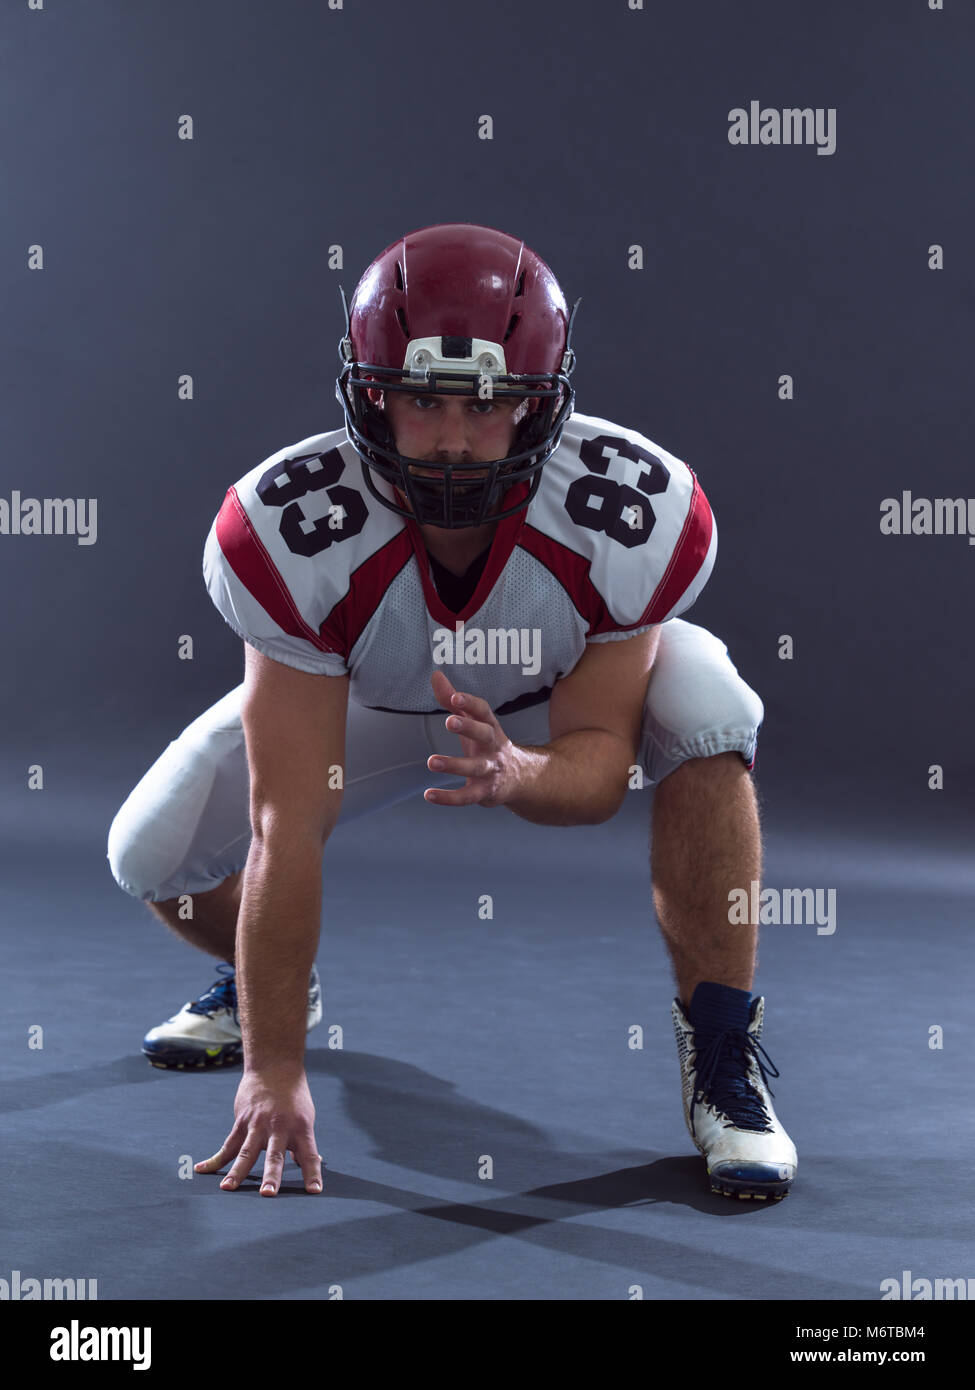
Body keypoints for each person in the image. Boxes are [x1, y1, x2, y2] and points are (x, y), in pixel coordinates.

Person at [107, 223, 796, 1202]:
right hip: (369, 699)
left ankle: (725, 1062)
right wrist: (276, 1069)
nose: (454, 441)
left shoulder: (621, 513)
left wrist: (519, 771)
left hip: (547, 697)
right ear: (372, 392)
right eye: (424, 399)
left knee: (713, 700)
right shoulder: (291, 528)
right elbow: (284, 823)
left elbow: (598, 763)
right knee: (149, 855)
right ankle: (270, 994)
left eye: (488, 404)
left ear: (541, 406)